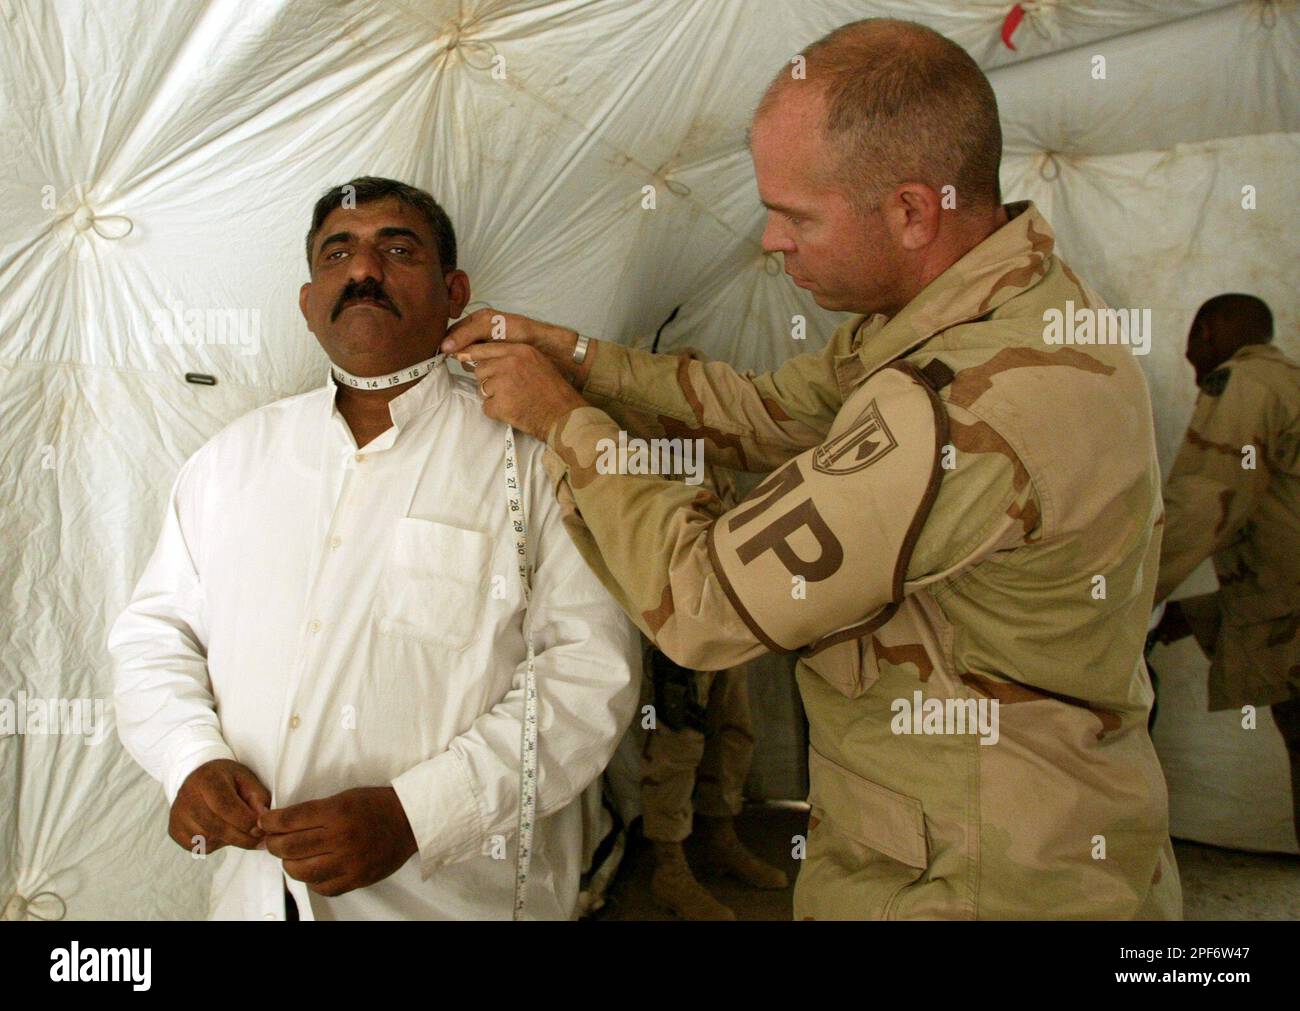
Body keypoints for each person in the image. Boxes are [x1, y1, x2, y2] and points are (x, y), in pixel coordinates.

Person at [443, 19, 1181, 918]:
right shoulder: (981, 309)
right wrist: (577, 353)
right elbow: (763, 412)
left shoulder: (972, 406)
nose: (769, 242)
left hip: (973, 876)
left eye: (796, 216)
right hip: (1009, 833)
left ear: (912, 210)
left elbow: (705, 603)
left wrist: (562, 420)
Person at [109, 177, 640, 920]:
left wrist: (418, 814)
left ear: (454, 291)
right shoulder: (231, 461)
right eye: (339, 253)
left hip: (453, 902)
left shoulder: (534, 459)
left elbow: (590, 676)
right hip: (255, 897)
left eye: (397, 249)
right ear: (307, 301)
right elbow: (154, 634)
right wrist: (187, 757)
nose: (364, 270)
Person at [1150, 294, 1300, 844]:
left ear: (1208, 332)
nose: (1191, 364)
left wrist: (1128, 590)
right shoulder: (1287, 380)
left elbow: (1210, 499)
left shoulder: (1243, 382)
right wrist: (1189, 615)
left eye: (1192, 346)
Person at [639, 464, 787, 921]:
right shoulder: (640, 412)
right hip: (673, 586)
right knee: (677, 732)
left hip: (727, 572)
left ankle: (720, 838)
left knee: (733, 722)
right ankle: (669, 866)